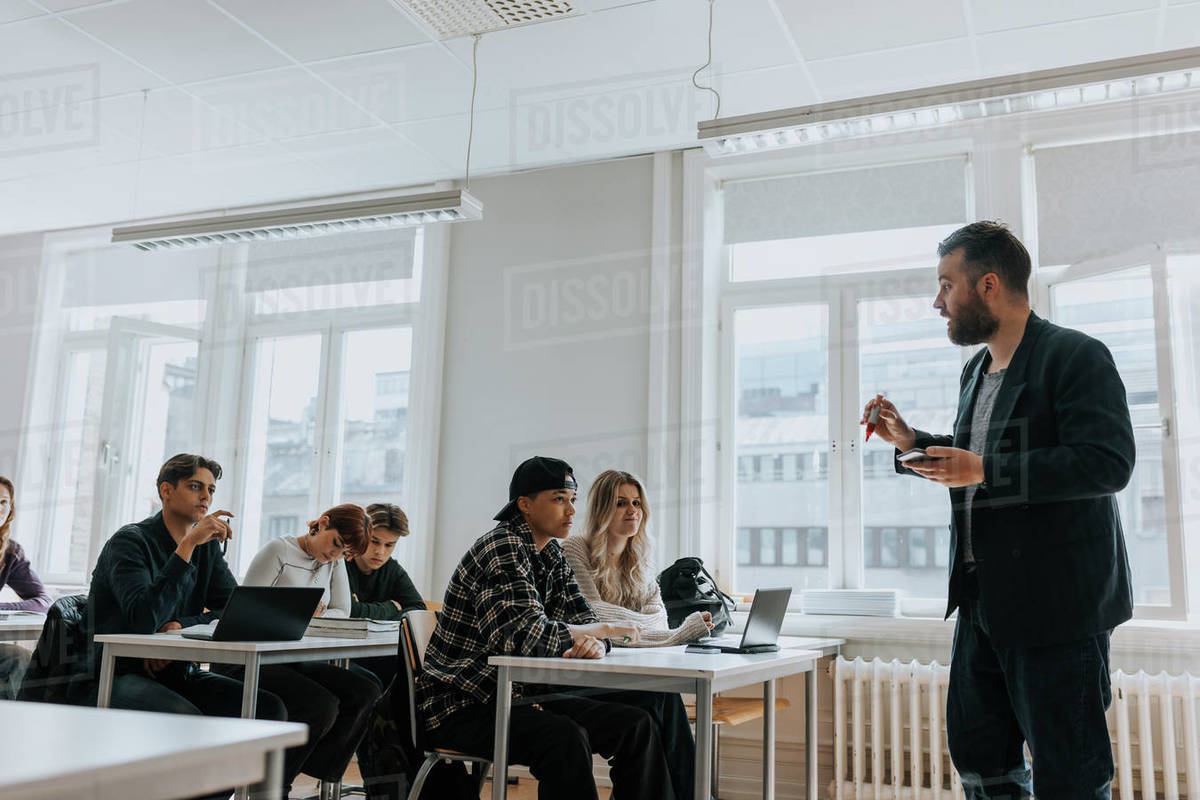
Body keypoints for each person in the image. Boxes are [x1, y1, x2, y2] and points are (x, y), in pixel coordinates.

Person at [863, 221, 1135, 800]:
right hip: (981, 605)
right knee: (982, 763)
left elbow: (1106, 463)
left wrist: (984, 470)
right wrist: (910, 439)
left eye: (946, 285)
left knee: (1071, 775)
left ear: (988, 286)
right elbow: (977, 462)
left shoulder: (1075, 355)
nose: (937, 303)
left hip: (1057, 612)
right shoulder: (974, 372)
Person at [415, 456, 677, 800]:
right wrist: (596, 633)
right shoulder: (502, 547)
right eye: (558, 499)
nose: (570, 510)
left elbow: (585, 622)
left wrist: (596, 642)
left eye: (571, 499)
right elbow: (522, 637)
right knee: (564, 738)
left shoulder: (551, 554)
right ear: (524, 504)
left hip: (522, 695)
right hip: (464, 705)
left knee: (636, 725)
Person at [87, 454, 290, 799]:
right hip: (118, 672)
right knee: (191, 723)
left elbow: (232, 609)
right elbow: (142, 620)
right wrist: (188, 545)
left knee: (269, 710)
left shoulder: (206, 550)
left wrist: (180, 626)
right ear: (166, 490)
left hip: (177, 670)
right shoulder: (131, 542)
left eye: (210, 490)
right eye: (195, 487)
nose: (206, 498)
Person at [561, 469, 712, 800]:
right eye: (620, 503)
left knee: (663, 696)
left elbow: (658, 621)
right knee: (656, 702)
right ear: (601, 509)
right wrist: (677, 635)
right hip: (580, 677)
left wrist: (664, 633)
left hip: (618, 675)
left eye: (637, 503)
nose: (633, 511)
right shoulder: (575, 548)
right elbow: (592, 614)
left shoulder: (639, 557)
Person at [240, 504, 382, 790]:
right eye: (336, 543)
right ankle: (275, 786)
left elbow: (343, 611)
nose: (335, 554)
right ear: (322, 523)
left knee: (366, 691)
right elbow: (246, 611)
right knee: (321, 705)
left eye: (344, 552)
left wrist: (312, 613)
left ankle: (311, 770)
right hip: (252, 659)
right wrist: (303, 613)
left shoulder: (334, 561)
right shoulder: (278, 550)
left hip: (292, 658)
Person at [345, 502, 426, 689]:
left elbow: (418, 611)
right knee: (370, 684)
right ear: (362, 534)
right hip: (340, 654)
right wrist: (392, 607)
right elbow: (350, 611)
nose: (381, 552)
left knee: (417, 676)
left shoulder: (392, 569)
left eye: (389, 545)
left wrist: (364, 610)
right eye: (374, 541)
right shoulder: (340, 563)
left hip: (375, 652)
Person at [0, 476, 51, 699]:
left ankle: (13, 729)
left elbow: (43, 601)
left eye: (3, 502)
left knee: (20, 658)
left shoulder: (10, 552)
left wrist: (2, 607)